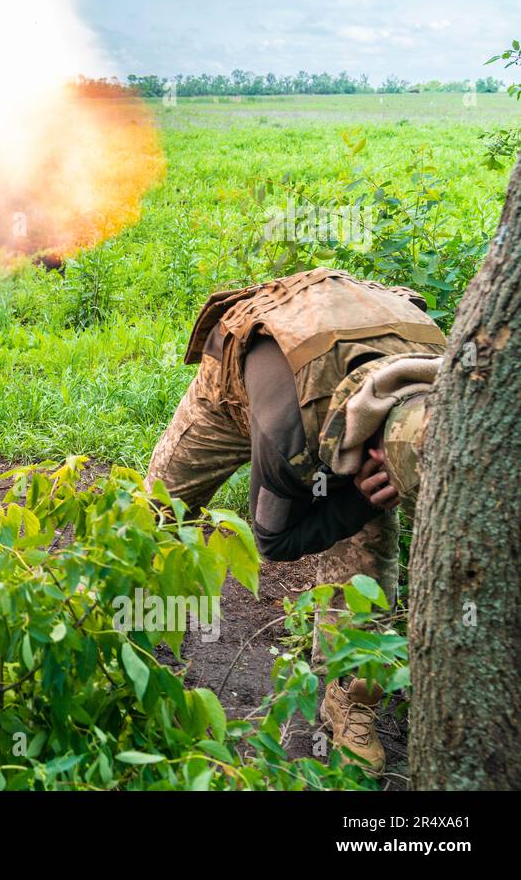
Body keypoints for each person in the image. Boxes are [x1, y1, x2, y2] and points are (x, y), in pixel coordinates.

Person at [146, 267, 446, 774]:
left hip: (349, 362)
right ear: (373, 450)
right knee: (155, 510)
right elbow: (274, 541)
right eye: (384, 478)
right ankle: (113, 623)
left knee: (366, 570)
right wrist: (358, 504)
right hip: (248, 380)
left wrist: (370, 505)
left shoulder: (449, 390)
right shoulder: (287, 433)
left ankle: (347, 698)